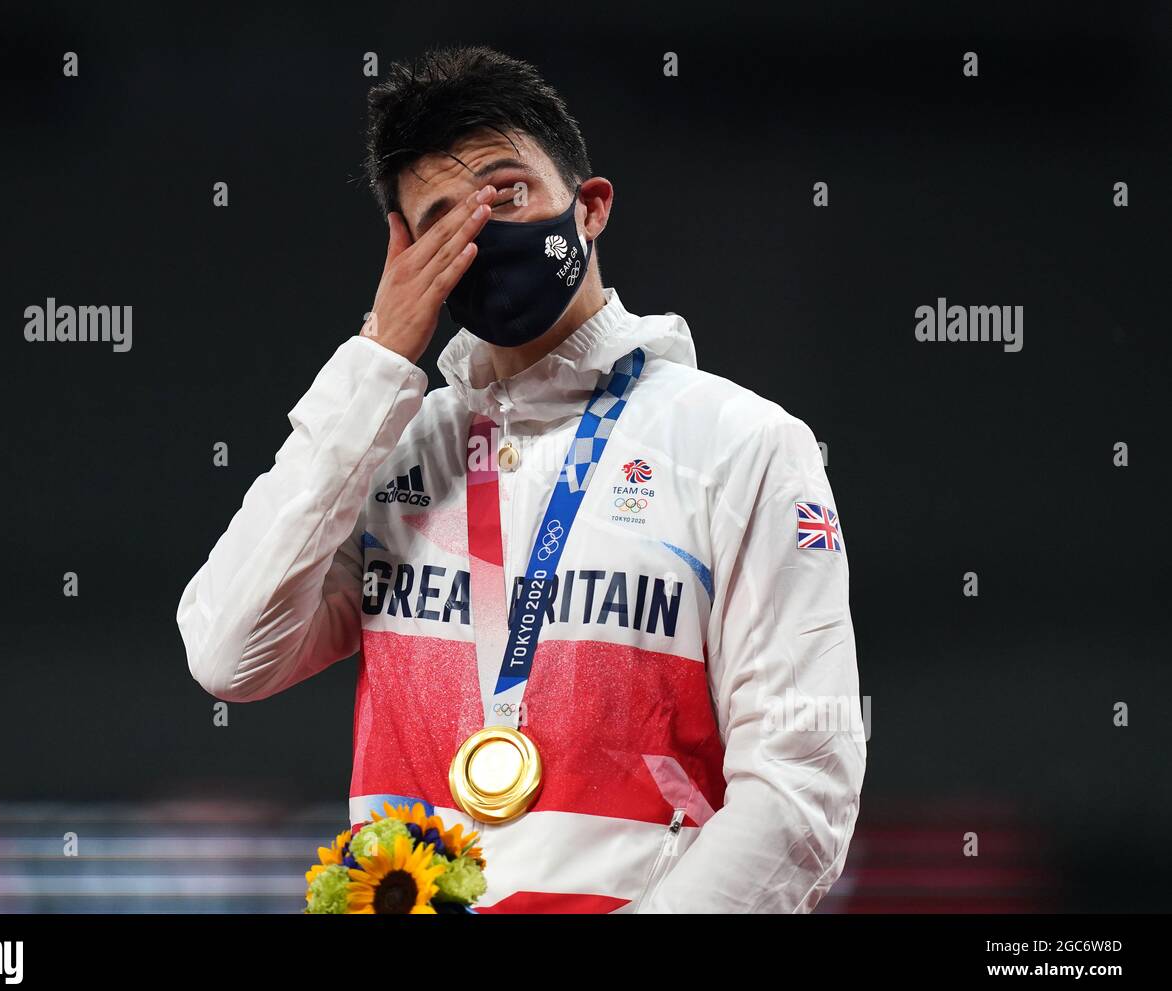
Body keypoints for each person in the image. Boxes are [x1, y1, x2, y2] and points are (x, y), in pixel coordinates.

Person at [176, 45, 866, 913]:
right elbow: (232, 654)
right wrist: (377, 360)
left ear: (592, 208)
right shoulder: (386, 447)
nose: (480, 230)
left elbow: (801, 790)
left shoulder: (742, 446)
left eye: (506, 192)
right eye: (440, 220)